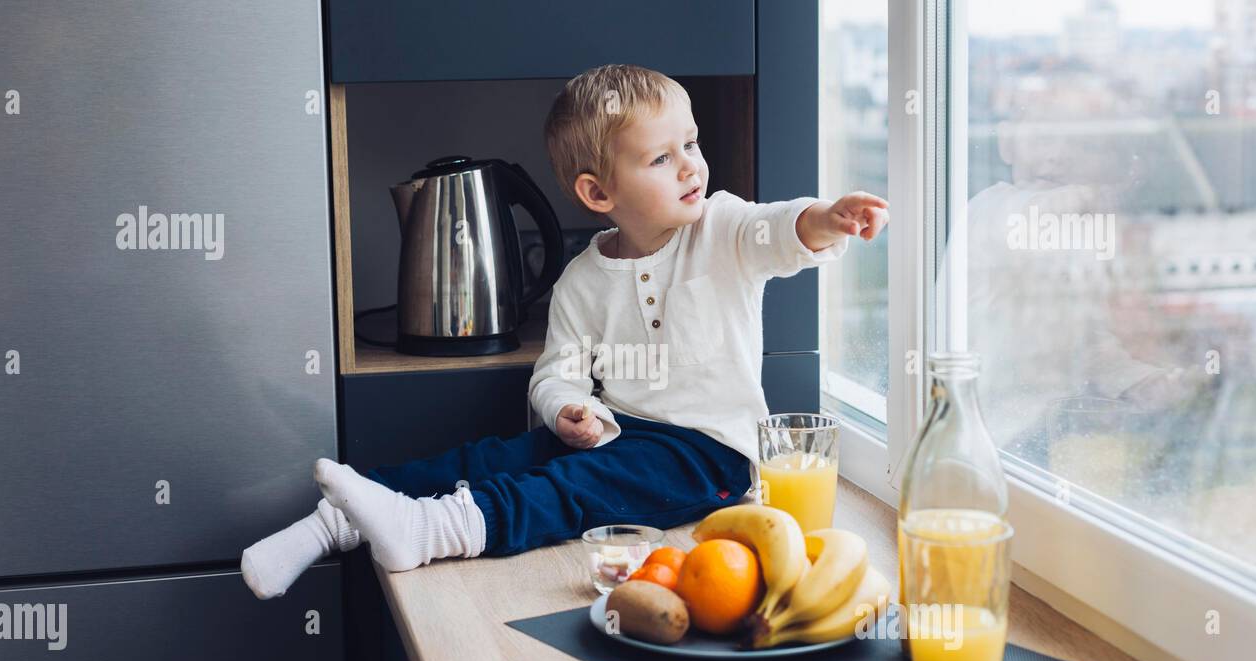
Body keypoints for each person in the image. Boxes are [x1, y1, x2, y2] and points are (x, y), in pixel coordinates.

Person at [240, 63, 888, 599]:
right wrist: (568, 407)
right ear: (598, 192)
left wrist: (826, 218)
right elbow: (556, 371)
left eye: (690, 144)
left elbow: (775, 231)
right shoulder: (584, 276)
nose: (691, 166)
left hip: (708, 455)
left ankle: (429, 530)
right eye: (662, 157)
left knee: (566, 490)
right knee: (490, 457)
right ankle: (334, 523)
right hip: (618, 430)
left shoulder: (720, 229)